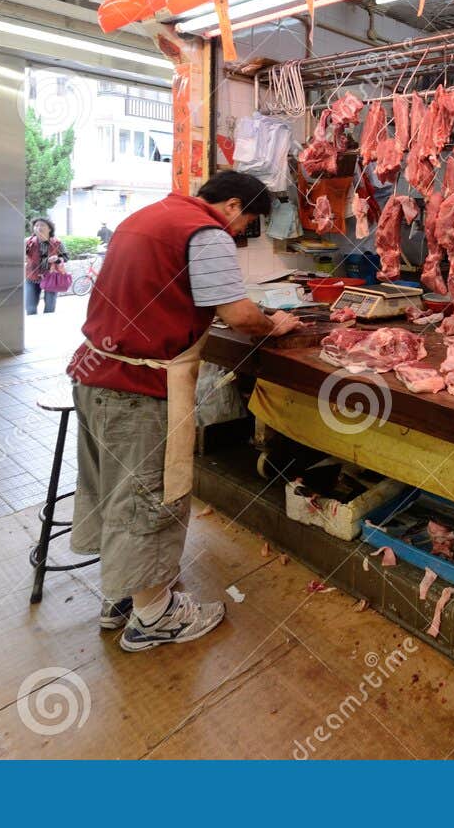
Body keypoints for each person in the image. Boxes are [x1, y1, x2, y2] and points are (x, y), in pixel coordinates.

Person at [67, 171, 299, 653]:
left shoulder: (150, 215)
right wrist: (272, 325)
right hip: (139, 385)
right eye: (247, 222)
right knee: (149, 494)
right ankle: (153, 616)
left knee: (117, 490)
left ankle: (123, 597)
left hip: (96, 373)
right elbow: (237, 315)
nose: (239, 234)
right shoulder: (206, 232)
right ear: (233, 206)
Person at [24, 217, 67, 315]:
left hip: (51, 277)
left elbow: (65, 258)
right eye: (36, 225)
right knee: (30, 308)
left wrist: (57, 259)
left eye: (42, 225)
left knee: (50, 309)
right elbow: (23, 257)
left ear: (49, 229)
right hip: (31, 278)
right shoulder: (28, 242)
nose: (38, 227)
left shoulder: (58, 242)